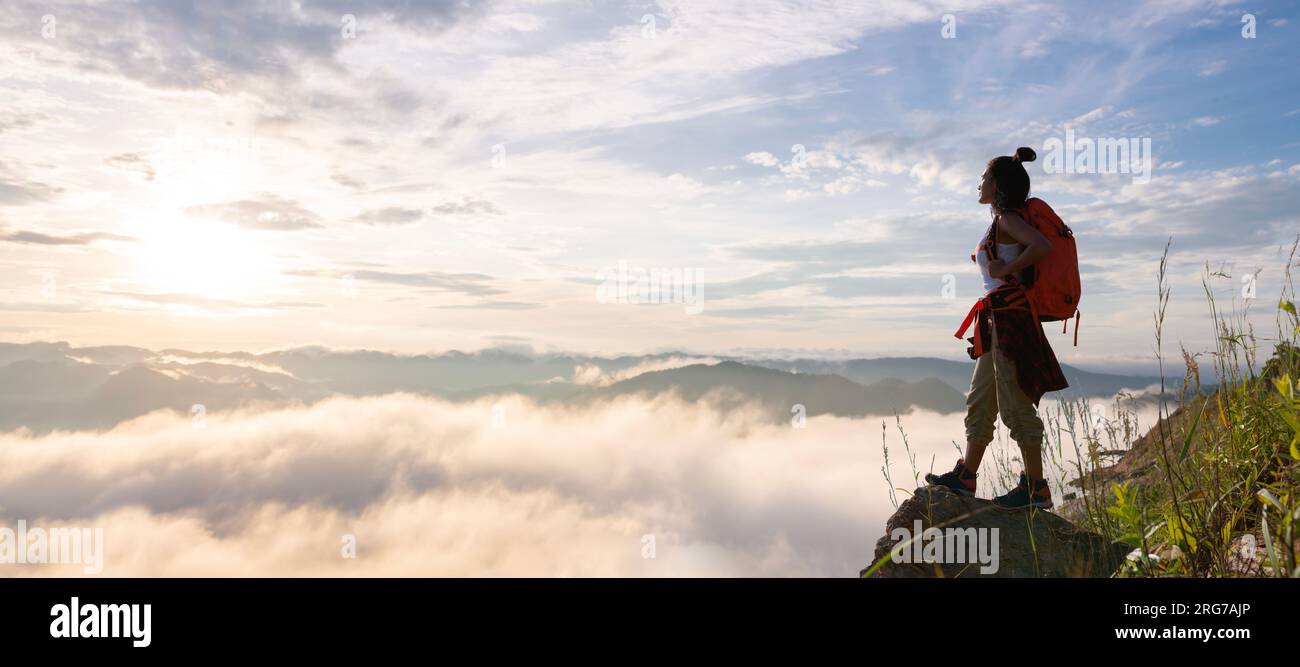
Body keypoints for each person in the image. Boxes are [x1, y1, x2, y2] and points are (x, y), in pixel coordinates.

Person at [925, 147, 1069, 509]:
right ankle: (966, 477)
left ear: (998, 184)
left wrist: (1004, 270)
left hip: (1010, 319)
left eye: (984, 178)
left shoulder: (1007, 218)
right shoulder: (1000, 222)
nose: (979, 183)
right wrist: (995, 262)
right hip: (996, 320)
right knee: (980, 401)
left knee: (1016, 406)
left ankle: (1036, 488)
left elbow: (1042, 245)